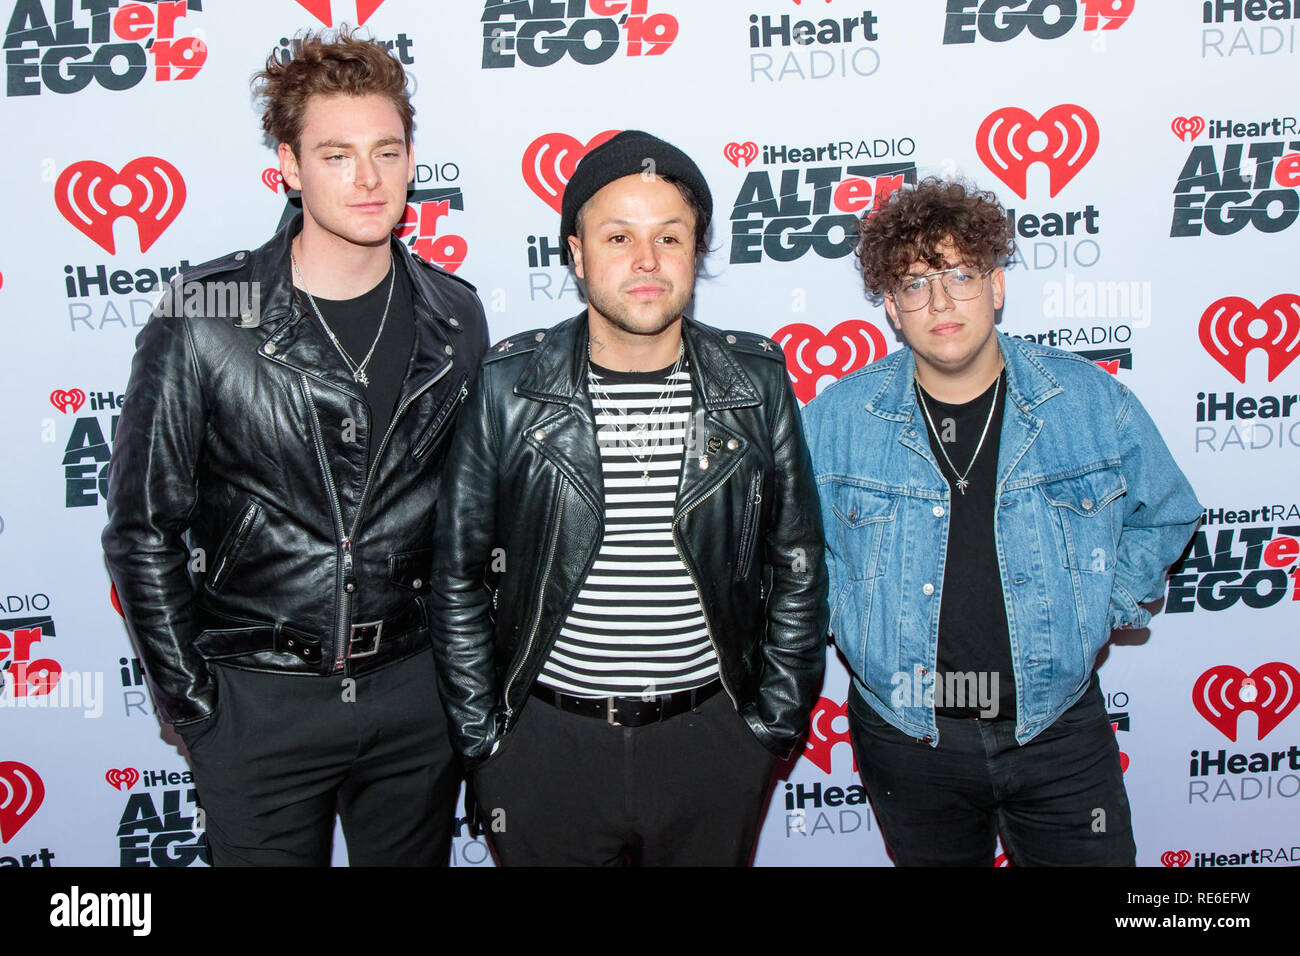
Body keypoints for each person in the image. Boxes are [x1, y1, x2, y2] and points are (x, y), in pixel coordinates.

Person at [101, 28, 488, 866]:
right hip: (258, 700)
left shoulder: (455, 318)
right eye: (337, 153)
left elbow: (467, 520)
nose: (367, 177)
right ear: (288, 163)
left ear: (413, 159)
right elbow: (141, 527)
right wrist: (195, 705)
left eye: (387, 151)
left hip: (414, 696)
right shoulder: (207, 313)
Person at [429, 130, 828, 866]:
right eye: (618, 236)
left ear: (696, 253)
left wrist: (769, 726)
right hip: (544, 750)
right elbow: (455, 576)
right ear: (577, 256)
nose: (646, 261)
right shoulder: (506, 387)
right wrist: (488, 738)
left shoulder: (756, 382)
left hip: (712, 743)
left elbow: (797, 563)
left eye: (669, 237)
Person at [802, 177, 1200, 866]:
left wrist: (1104, 606)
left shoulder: (1086, 402)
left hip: (1058, 728)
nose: (942, 300)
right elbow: (792, 551)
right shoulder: (837, 422)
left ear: (996, 286)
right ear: (892, 307)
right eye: (915, 283)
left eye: (960, 273)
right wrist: (849, 617)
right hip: (908, 734)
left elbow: (1165, 512)